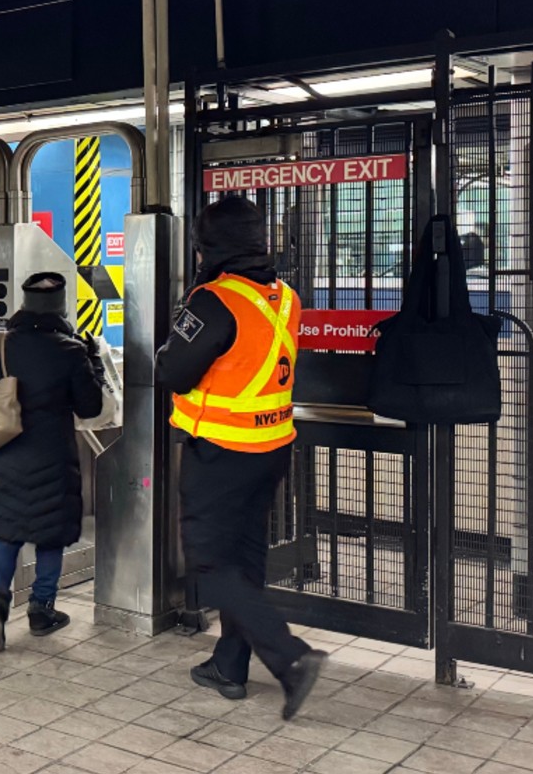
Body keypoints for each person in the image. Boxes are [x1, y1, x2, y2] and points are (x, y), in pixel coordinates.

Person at [156, 196, 326, 721]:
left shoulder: (214, 301)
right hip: (271, 449)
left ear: (210, 245)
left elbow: (173, 372)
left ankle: (290, 658)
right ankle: (229, 665)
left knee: (210, 561)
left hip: (222, 453)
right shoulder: (285, 298)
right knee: (245, 558)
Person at [0, 271, 104, 653]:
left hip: (4, 456)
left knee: (7, 534)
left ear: (23, 304)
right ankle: (42, 610)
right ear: (61, 306)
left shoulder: (0, 344)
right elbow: (91, 407)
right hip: (54, 458)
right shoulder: (71, 350)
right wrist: (95, 363)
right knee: (50, 536)